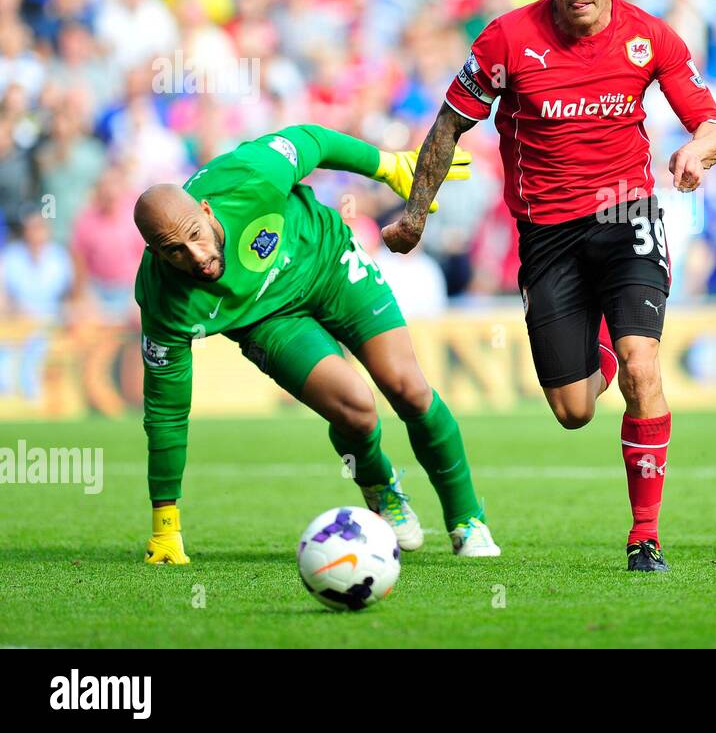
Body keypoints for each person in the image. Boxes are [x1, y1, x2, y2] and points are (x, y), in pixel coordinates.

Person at [383, 0, 716, 572]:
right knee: (572, 410)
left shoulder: (650, 37)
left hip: (628, 216)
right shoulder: (507, 39)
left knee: (642, 364)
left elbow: (710, 123)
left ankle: (644, 536)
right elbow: (449, 126)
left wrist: (698, 152)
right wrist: (417, 213)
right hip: (547, 235)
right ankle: (601, 340)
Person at [132, 124, 499, 563]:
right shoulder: (162, 300)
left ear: (208, 211)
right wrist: (165, 525)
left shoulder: (251, 174)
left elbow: (313, 140)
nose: (197, 258)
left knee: (408, 389)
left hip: (329, 263)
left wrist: (388, 165)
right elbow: (166, 413)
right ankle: (380, 484)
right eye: (175, 251)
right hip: (268, 321)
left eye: (196, 236)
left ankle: (467, 520)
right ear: (156, 254)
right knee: (357, 411)